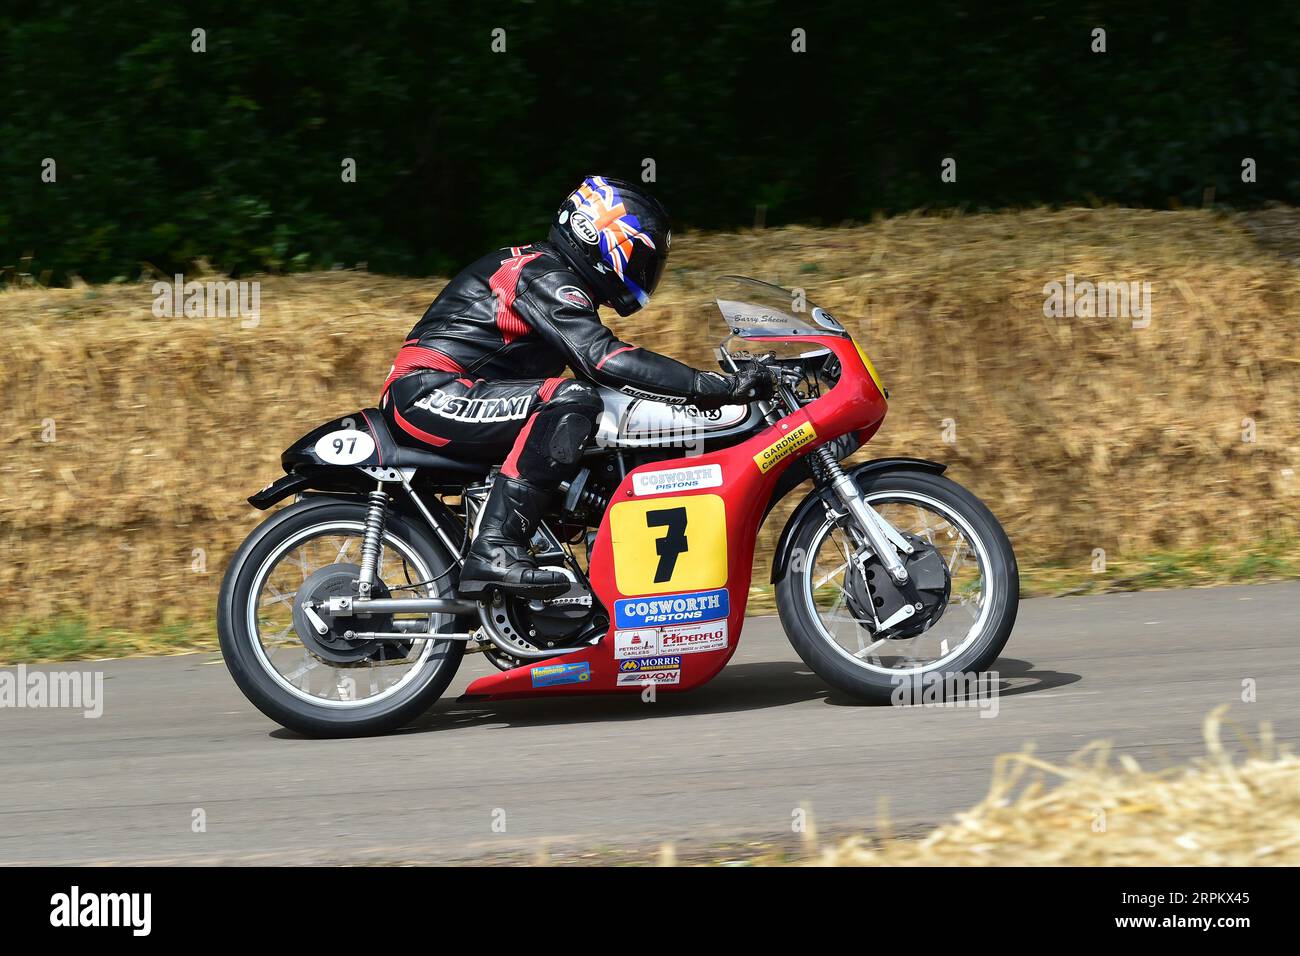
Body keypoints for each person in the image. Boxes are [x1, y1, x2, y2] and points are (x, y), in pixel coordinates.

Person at [380, 175, 772, 599]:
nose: (645, 269)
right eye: (640, 255)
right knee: (571, 400)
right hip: (429, 393)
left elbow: (612, 372)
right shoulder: (541, 274)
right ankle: (494, 550)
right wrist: (708, 385)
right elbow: (604, 359)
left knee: (594, 415)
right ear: (599, 238)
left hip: (462, 392)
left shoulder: (553, 278)